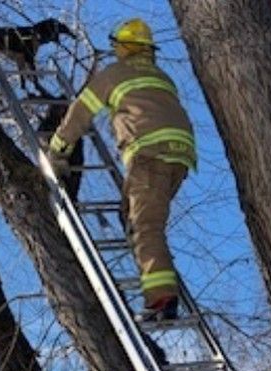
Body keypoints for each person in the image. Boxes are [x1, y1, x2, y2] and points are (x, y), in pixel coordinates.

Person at [46, 18, 195, 321]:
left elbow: (81, 111)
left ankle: (162, 298)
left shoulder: (114, 74)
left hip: (150, 155)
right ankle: (159, 282)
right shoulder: (162, 77)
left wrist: (58, 148)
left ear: (124, 48)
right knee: (131, 216)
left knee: (145, 225)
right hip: (179, 157)